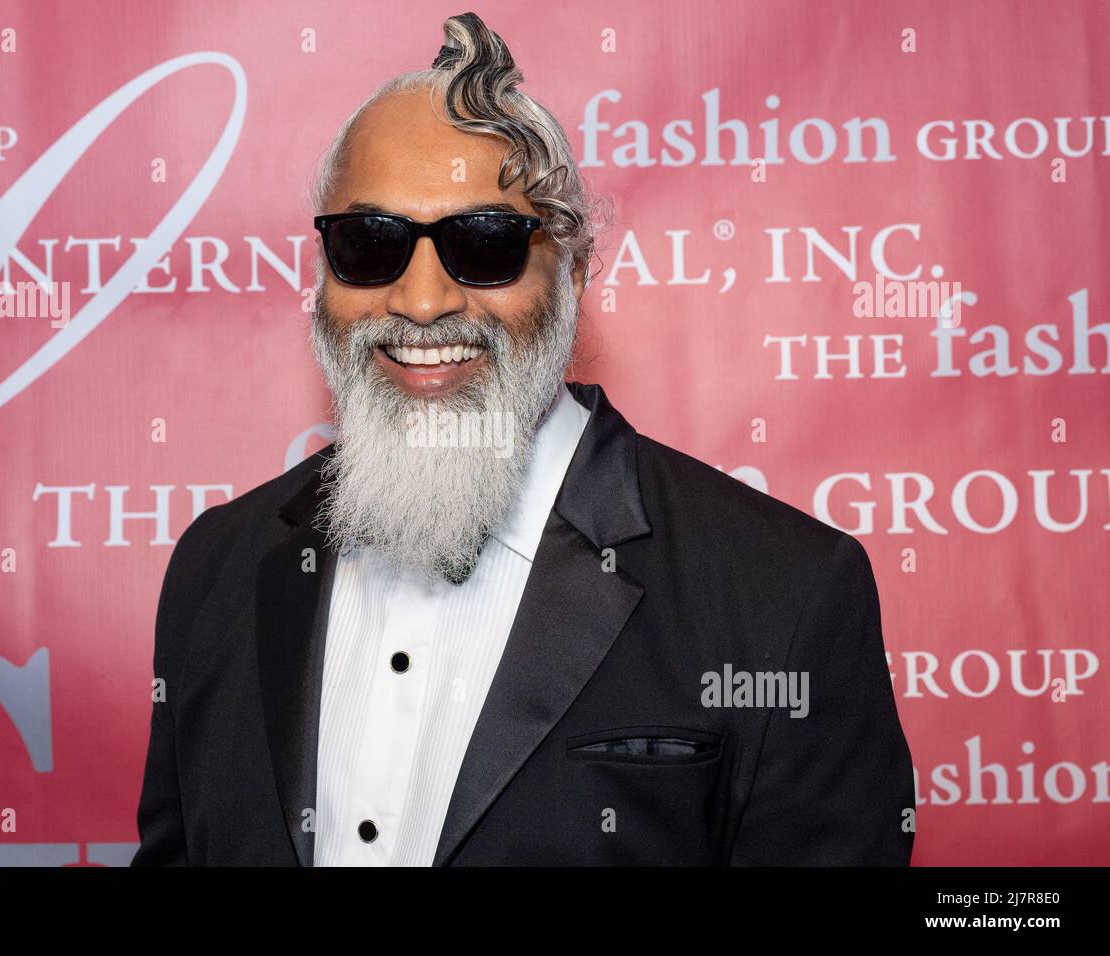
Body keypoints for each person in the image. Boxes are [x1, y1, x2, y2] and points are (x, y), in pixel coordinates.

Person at [132, 11, 915, 866]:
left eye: (484, 244)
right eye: (370, 244)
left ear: (574, 271)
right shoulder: (219, 567)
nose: (423, 302)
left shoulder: (785, 595)